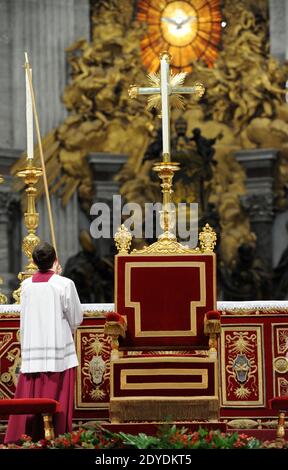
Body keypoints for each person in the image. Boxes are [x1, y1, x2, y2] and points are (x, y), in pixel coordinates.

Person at [4, 242, 83, 443]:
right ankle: (58, 438)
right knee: (56, 397)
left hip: (33, 349)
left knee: (31, 396)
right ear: (55, 260)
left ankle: (25, 436)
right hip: (58, 351)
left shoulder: (26, 285)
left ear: (34, 261)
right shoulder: (64, 284)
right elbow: (76, 318)